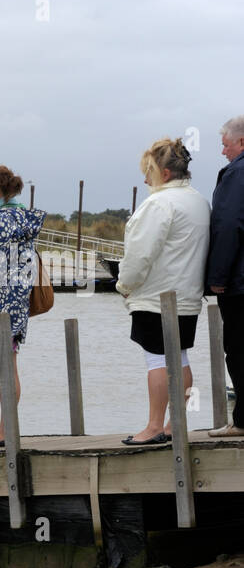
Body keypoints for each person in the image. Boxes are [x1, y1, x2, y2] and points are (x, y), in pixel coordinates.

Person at [115, 137, 209, 445]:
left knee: (156, 360)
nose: (145, 179)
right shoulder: (198, 201)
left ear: (165, 173)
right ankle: (174, 424)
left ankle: (154, 425)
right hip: (188, 297)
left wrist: (124, 285)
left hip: (155, 296)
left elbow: (140, 253)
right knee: (179, 358)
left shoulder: (158, 203)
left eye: (149, 172)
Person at [0, 165, 46, 447]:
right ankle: (7, 428)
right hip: (17, 302)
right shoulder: (21, 216)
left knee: (5, 369)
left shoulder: (0, 220)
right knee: (8, 367)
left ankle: (4, 431)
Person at [207, 115, 244, 437]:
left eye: (226, 145)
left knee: (239, 347)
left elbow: (228, 226)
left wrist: (217, 277)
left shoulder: (237, 173)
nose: (223, 152)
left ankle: (242, 421)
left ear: (241, 142)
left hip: (240, 283)